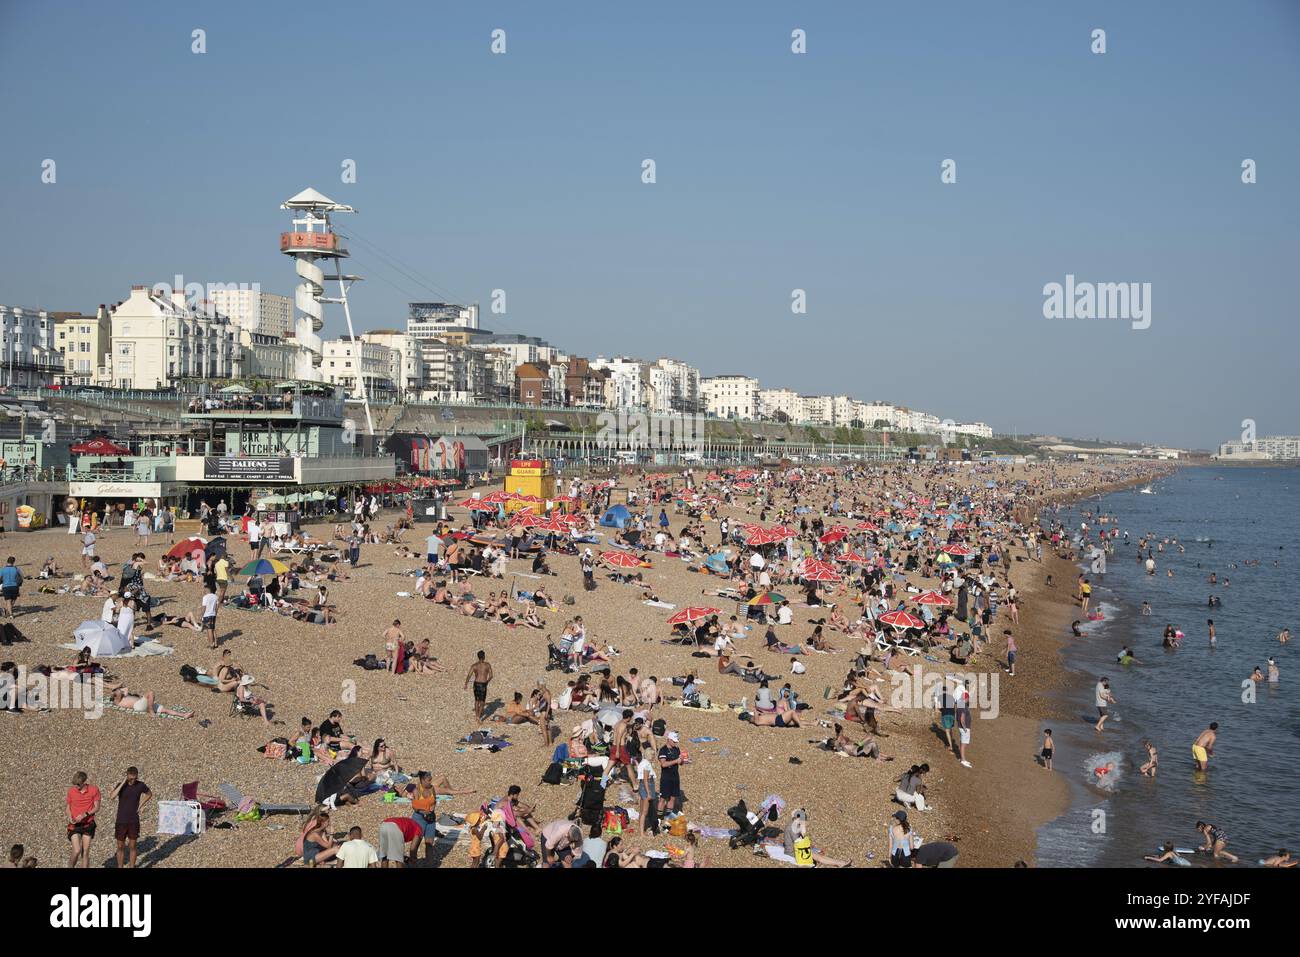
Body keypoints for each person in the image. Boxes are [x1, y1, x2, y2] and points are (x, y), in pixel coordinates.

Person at [111, 766, 151, 868]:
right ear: (127, 775)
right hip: (121, 820)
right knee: (120, 846)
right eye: (131, 778)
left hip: (133, 820)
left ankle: (132, 866)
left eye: (135, 778)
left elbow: (149, 794)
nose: (133, 780)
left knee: (132, 846)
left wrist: (141, 804)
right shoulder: (121, 785)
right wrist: (123, 782)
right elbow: (112, 796)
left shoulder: (140, 785)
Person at [66, 771, 100, 868]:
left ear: (84, 782)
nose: (76, 787)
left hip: (88, 824)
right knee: (76, 850)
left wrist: (84, 814)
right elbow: (68, 807)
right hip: (75, 825)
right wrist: (69, 817)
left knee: (85, 852)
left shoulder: (94, 790)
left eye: (78, 785)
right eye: (74, 784)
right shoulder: (71, 791)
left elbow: (97, 807)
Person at [465, 650, 493, 722]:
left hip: (476, 684)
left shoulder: (474, 665)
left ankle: (477, 715)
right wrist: (487, 681)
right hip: (483, 684)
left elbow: (469, 675)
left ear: (478, 657)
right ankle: (479, 717)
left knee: (477, 700)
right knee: (482, 701)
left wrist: (466, 684)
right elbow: (491, 676)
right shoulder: (487, 665)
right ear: (484, 656)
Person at [201, 583, 219, 649]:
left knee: (209, 630)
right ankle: (216, 643)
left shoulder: (205, 597)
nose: (203, 591)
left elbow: (204, 607)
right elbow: (217, 606)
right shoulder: (215, 596)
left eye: (204, 589)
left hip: (207, 615)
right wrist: (215, 613)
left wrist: (201, 615)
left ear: (207, 589)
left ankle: (211, 644)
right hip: (213, 614)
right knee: (213, 629)